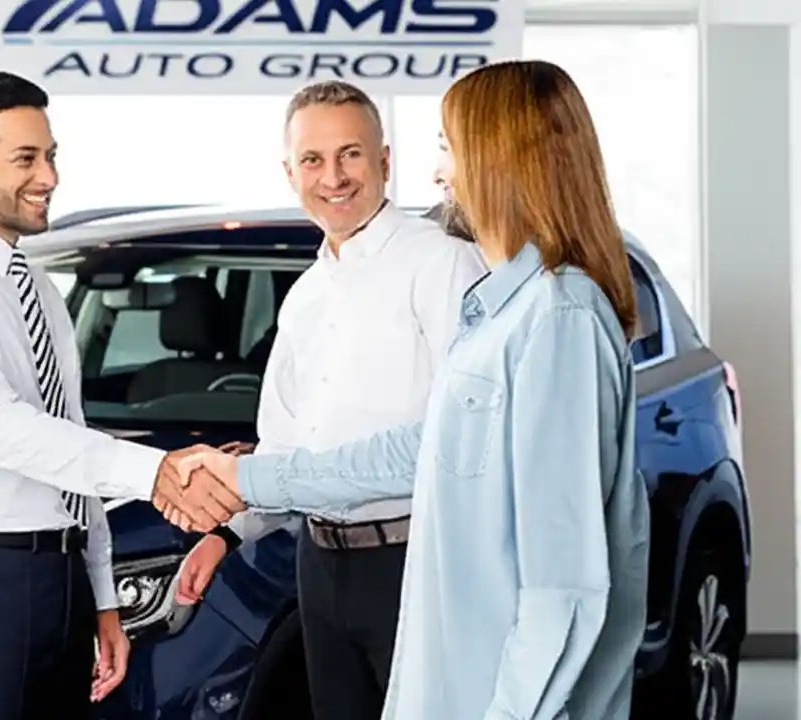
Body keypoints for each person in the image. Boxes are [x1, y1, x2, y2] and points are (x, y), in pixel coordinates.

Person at [181, 60, 651, 720]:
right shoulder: (501, 308)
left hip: (415, 560)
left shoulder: (549, 312)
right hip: (332, 563)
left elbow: (561, 584)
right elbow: (427, 447)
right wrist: (242, 495)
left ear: (496, 160)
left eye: (447, 148)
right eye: (312, 158)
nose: (439, 172)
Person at [0, 70, 237, 720]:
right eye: (26, 159)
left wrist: (100, 597)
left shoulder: (39, 288)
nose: (49, 176)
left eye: (51, 156)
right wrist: (155, 470)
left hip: (60, 580)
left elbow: (64, 442)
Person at [168, 81, 487, 720]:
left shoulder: (445, 265)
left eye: (351, 155)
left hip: (418, 564)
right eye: (313, 161)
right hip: (318, 568)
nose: (333, 177)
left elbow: (461, 441)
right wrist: (226, 536)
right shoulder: (306, 297)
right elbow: (286, 450)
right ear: (290, 173)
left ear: (386, 162)